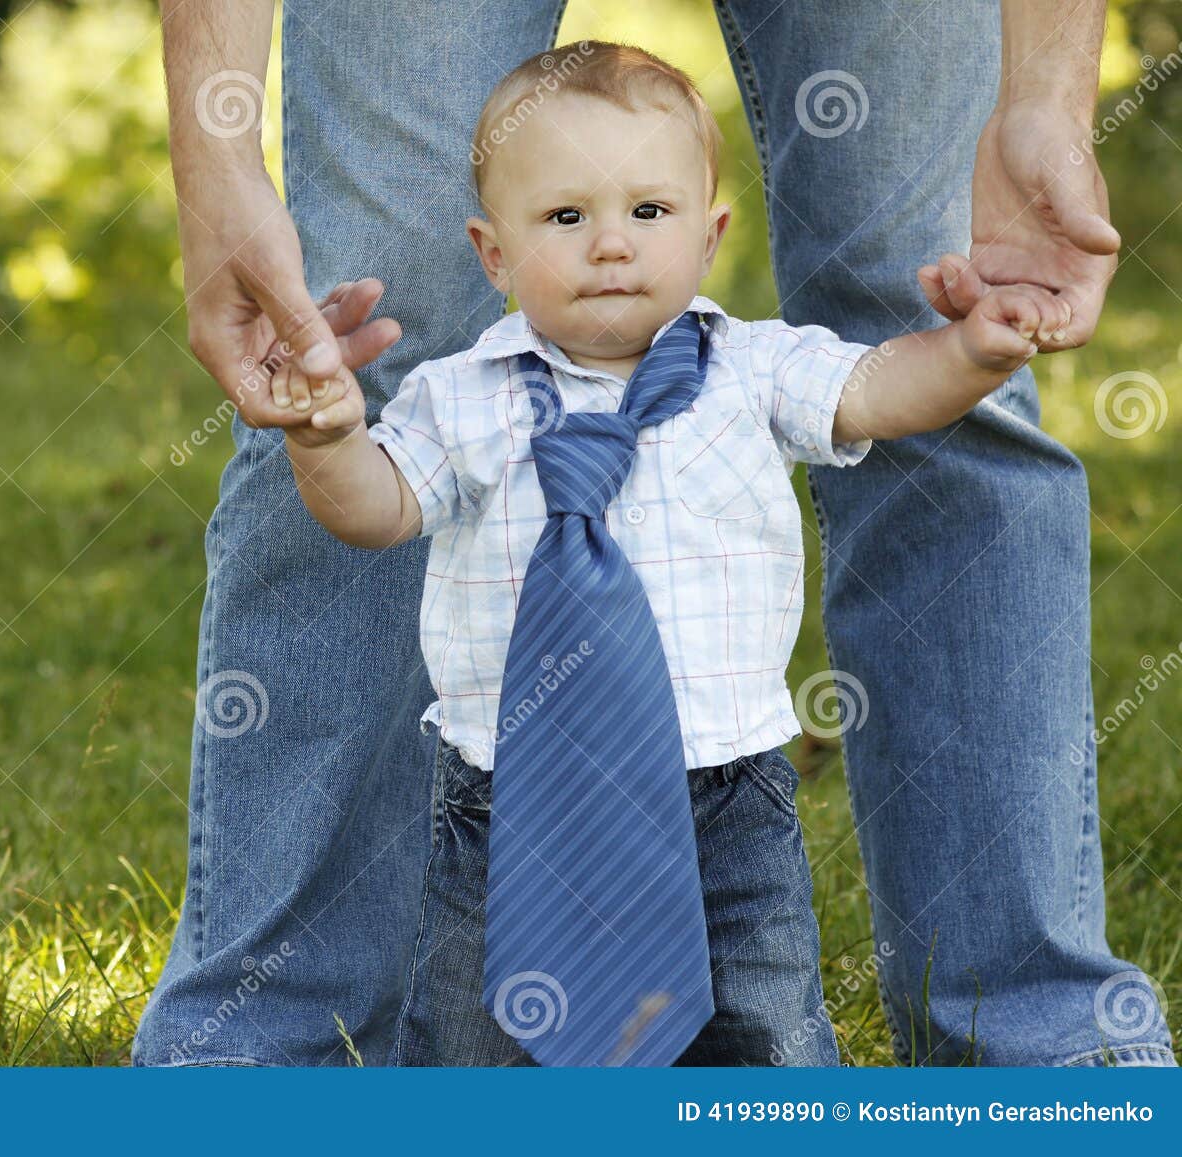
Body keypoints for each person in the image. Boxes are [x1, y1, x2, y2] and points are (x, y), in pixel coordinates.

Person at [137, 0, 1176, 1066]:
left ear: (709, 233)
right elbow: (373, 508)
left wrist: (972, 354)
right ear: (492, 253)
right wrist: (326, 434)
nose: (612, 246)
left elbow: (880, 383)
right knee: (467, 1051)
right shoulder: (461, 399)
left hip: (728, 803)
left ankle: (1042, 1041)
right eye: (563, 220)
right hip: (500, 806)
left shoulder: (751, 364)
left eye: (647, 210)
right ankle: (248, 1053)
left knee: (766, 1042)